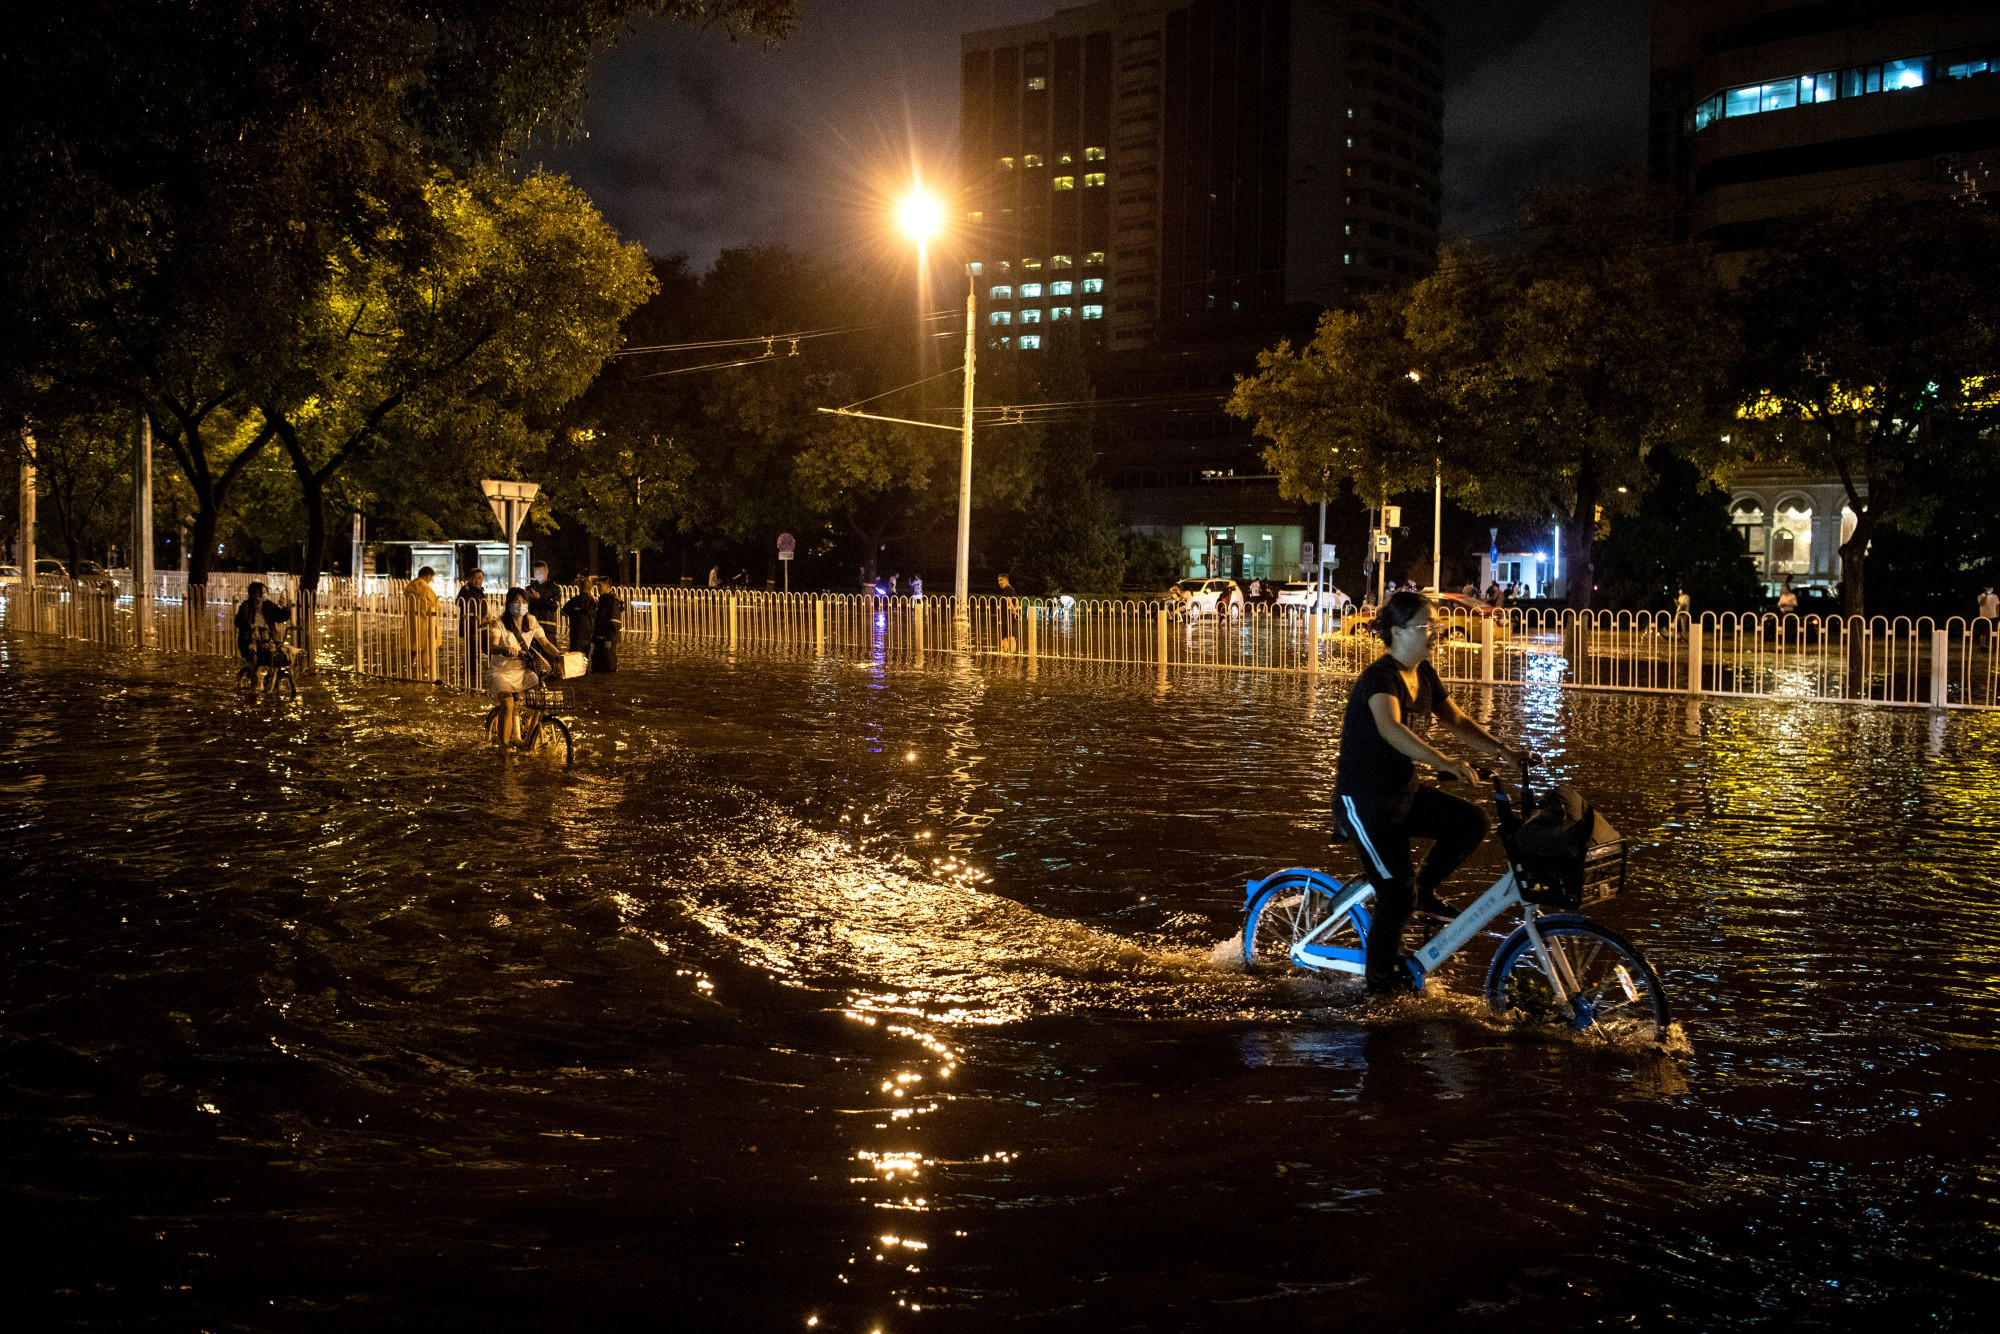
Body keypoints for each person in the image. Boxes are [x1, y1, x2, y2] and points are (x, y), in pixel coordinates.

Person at [1334, 591, 1522, 995]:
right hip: (1366, 804)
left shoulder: (1423, 672)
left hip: (1403, 793)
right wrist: (1444, 762)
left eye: (1436, 626)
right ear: (1399, 632)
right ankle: (1379, 987)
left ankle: (1426, 890)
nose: (1436, 634)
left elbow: (1456, 719)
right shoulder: (1380, 678)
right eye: (1426, 627)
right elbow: (1390, 728)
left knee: (1470, 823)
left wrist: (1505, 753)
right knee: (1396, 897)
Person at [488, 587, 556, 747]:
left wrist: (558, 654)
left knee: (540, 695)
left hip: (522, 670)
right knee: (508, 704)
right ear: (509, 604)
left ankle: (526, 718)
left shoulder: (531, 621)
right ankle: (504, 749)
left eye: (524, 602)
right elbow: (492, 646)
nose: (520, 605)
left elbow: (545, 643)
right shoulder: (499, 623)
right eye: (516, 602)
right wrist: (504, 649)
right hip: (501, 671)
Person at [234, 581, 293, 694]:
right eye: (262, 593)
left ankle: (270, 682)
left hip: (268, 639)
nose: (264, 595)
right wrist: (250, 626)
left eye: (266, 592)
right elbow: (239, 621)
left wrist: (285, 607)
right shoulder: (246, 607)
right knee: (255, 663)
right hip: (250, 641)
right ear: (254, 594)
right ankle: (254, 688)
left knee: (274, 659)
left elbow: (281, 617)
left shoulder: (268, 605)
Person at [403, 565, 442, 682]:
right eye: (431, 577)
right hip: (424, 621)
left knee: (413, 645)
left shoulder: (409, 586)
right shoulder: (425, 587)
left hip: (411, 621)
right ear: (428, 576)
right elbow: (436, 603)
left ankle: (409, 668)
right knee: (427, 646)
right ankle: (426, 670)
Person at [591, 575, 625, 673]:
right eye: (597, 586)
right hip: (598, 640)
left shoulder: (613, 601)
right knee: (596, 667)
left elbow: (615, 622)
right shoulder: (602, 600)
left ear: (607, 586)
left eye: (600, 586)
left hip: (607, 640)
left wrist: (609, 639)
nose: (598, 588)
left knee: (608, 666)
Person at [561, 575, 598, 655]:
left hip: (576, 637)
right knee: (592, 662)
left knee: (575, 661)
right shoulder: (595, 602)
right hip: (591, 637)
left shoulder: (574, 601)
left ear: (580, 588)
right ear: (591, 588)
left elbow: (563, 612)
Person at [996, 573, 1020, 652]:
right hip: (1010, 616)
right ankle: (1013, 652)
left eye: (1001, 580)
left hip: (1005, 615)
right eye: (998, 581)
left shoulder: (1006, 589)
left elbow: (1009, 601)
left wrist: (1013, 611)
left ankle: (1004, 653)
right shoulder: (1012, 589)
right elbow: (1016, 602)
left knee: (1004, 635)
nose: (999, 582)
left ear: (1006, 580)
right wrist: (1015, 611)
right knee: (1011, 633)